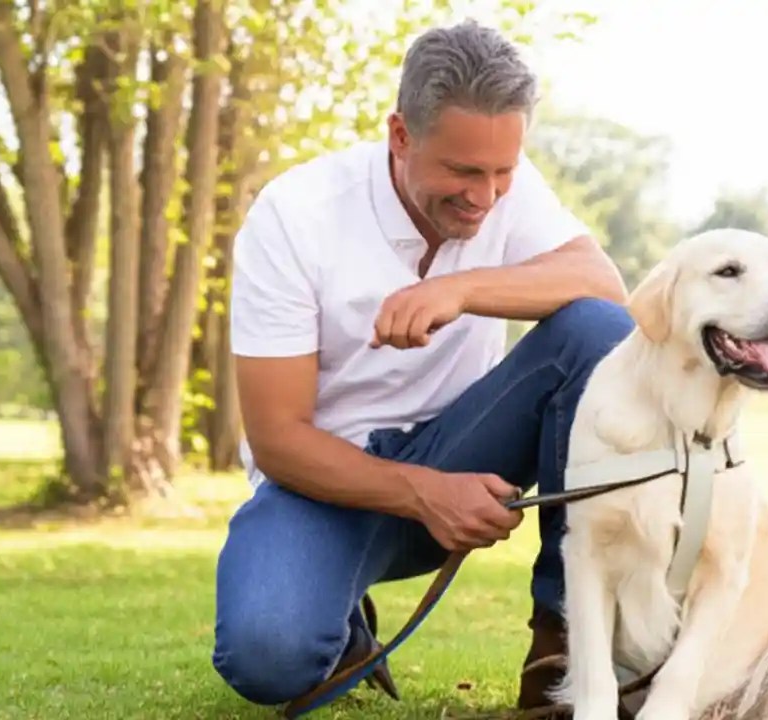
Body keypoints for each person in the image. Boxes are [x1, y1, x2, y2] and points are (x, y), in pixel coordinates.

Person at [211, 18, 636, 715]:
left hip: (463, 446)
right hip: (327, 481)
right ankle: (338, 623)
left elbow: (602, 285)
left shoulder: (505, 183)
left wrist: (461, 289)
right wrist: (424, 494)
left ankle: (564, 645)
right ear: (400, 135)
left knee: (597, 330)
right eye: (465, 172)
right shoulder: (293, 216)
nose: (486, 196)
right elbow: (278, 440)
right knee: (267, 655)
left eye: (503, 171)